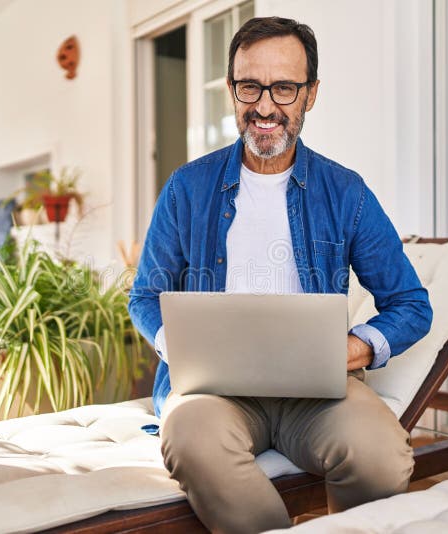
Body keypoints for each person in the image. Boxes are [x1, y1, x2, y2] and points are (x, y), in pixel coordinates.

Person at [128, 16, 432, 534]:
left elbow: (411, 305)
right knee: (192, 440)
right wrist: (178, 347)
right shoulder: (186, 188)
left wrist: (354, 348)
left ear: (311, 94)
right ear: (231, 90)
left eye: (285, 87)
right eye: (250, 86)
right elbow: (145, 296)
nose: (265, 106)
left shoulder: (347, 192)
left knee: (382, 457)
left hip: (317, 393)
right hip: (212, 394)